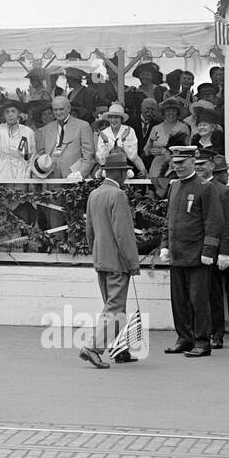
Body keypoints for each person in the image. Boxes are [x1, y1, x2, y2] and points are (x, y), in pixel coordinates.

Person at [158, 145, 222, 358]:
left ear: (193, 163)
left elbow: (214, 222)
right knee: (179, 301)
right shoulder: (174, 186)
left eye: (181, 163)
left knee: (198, 300)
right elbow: (169, 220)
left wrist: (208, 251)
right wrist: (165, 245)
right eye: (174, 163)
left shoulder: (205, 187)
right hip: (177, 255)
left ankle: (203, 342)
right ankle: (184, 339)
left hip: (196, 256)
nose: (177, 167)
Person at [81, 150, 141, 368]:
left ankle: (120, 349)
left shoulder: (94, 194)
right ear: (119, 173)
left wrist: (96, 252)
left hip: (101, 258)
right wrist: (133, 262)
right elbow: (123, 234)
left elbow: (89, 231)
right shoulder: (118, 195)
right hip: (117, 260)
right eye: (124, 172)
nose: (125, 176)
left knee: (113, 305)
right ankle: (93, 347)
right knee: (115, 307)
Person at [196, 151, 229, 349]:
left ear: (211, 165)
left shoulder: (223, 191)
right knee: (197, 294)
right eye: (195, 163)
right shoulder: (192, 186)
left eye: (202, 163)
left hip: (214, 249)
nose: (198, 167)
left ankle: (217, 333)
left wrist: (224, 252)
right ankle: (200, 332)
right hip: (195, 249)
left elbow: (228, 223)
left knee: (213, 294)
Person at [36, 95, 94, 181]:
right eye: (55, 110)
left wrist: (79, 174)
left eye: (61, 109)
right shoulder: (46, 129)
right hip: (50, 177)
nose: (58, 112)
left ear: (69, 109)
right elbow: (41, 154)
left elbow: (89, 156)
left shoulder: (82, 126)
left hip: (74, 177)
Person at [0, 99, 36, 182]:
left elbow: (32, 154)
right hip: (2, 169)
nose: (10, 114)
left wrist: (29, 170)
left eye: (13, 111)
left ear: (18, 114)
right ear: (4, 115)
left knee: (19, 193)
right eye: (7, 112)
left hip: (21, 170)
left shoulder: (28, 131)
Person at [93, 102, 145, 177]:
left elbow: (133, 156)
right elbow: (102, 160)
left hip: (125, 169)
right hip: (108, 170)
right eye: (111, 117)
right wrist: (106, 142)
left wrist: (123, 141)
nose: (113, 120)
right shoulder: (104, 133)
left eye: (116, 117)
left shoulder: (129, 130)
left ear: (121, 119)